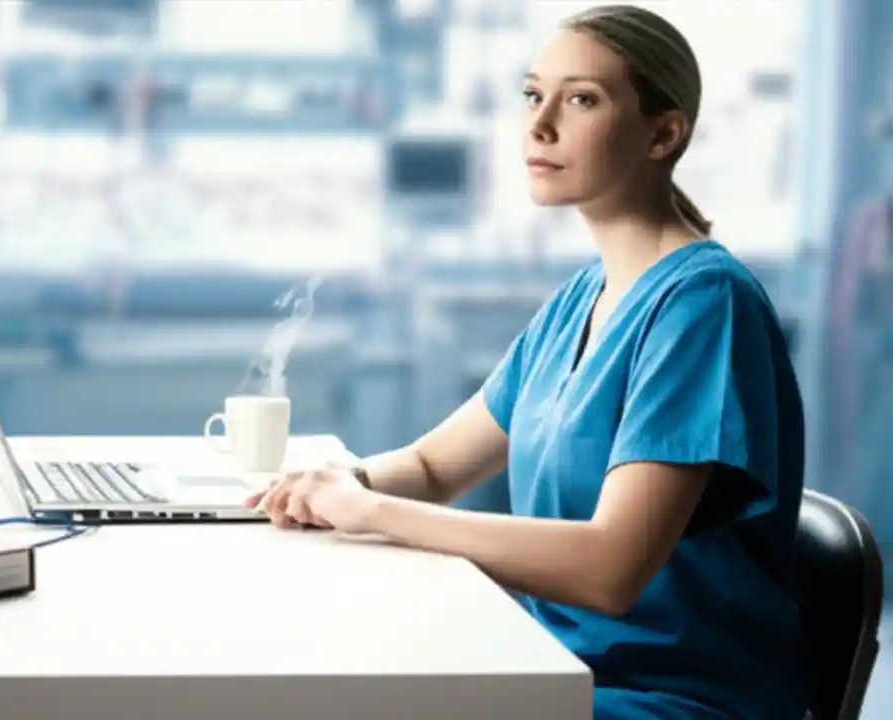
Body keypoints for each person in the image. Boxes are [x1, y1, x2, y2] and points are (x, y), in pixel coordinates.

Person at [246, 5, 807, 719]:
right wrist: (335, 484)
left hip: (669, 699)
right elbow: (432, 468)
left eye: (581, 99)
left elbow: (611, 568)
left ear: (663, 134)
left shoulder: (703, 305)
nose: (539, 126)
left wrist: (370, 511)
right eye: (532, 94)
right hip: (550, 669)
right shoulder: (582, 298)